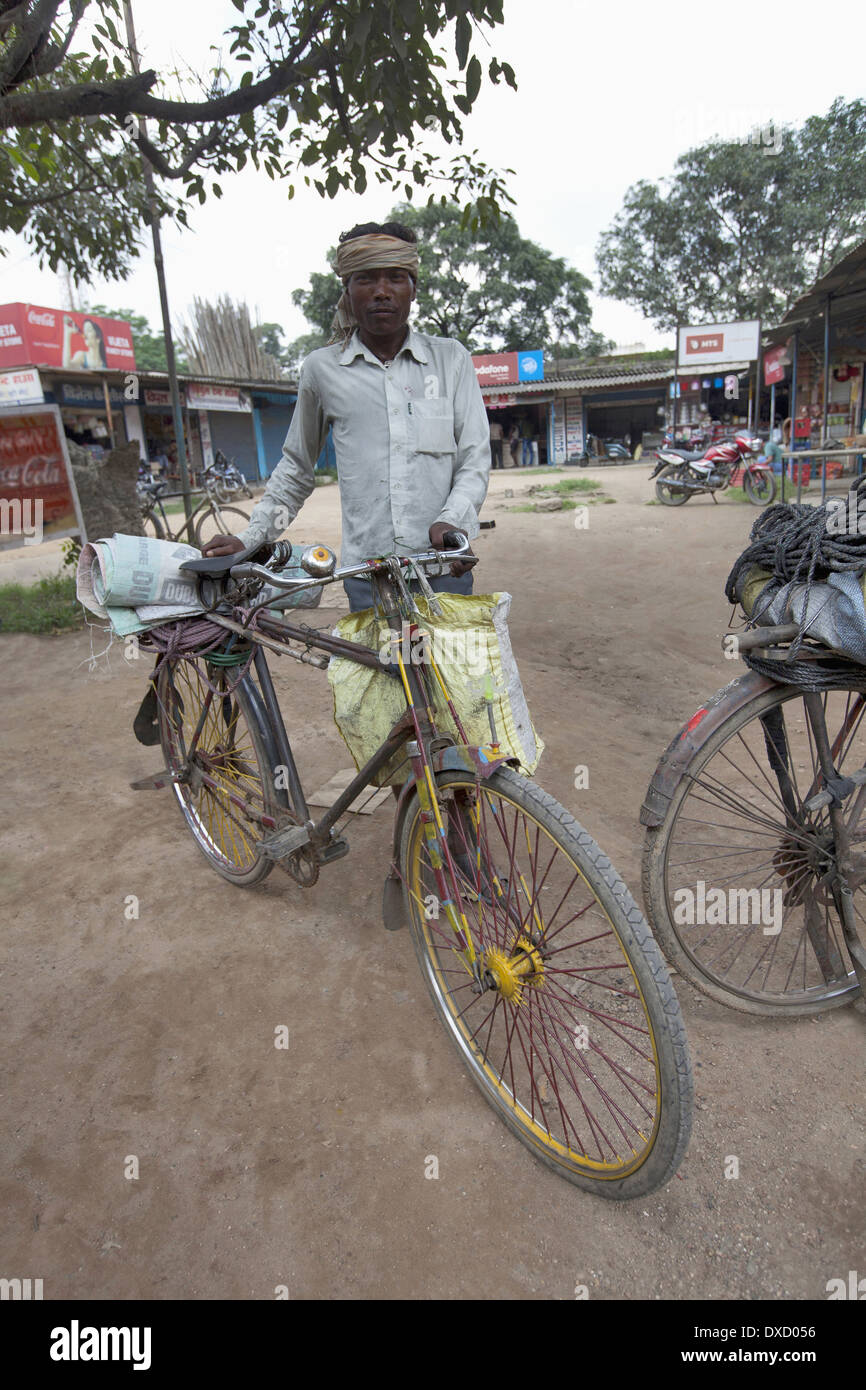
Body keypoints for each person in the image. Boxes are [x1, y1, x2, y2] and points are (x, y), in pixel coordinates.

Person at [202, 220, 491, 612]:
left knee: (448, 673)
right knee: (385, 672)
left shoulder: (451, 359)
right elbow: (297, 469)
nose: (382, 292)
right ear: (347, 290)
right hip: (370, 578)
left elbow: (473, 458)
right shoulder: (323, 370)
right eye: (366, 279)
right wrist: (251, 538)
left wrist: (452, 519)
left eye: (396, 278)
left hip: (443, 567)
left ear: (414, 288)